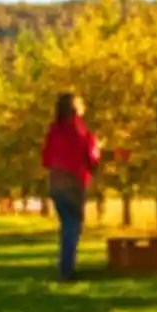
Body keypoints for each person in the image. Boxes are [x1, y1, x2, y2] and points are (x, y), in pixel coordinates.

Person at [41, 93, 101, 281]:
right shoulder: (80, 131)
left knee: (67, 224)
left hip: (56, 183)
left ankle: (66, 265)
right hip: (73, 183)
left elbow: (46, 159)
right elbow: (91, 157)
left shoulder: (54, 130)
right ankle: (67, 269)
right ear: (76, 109)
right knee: (72, 226)